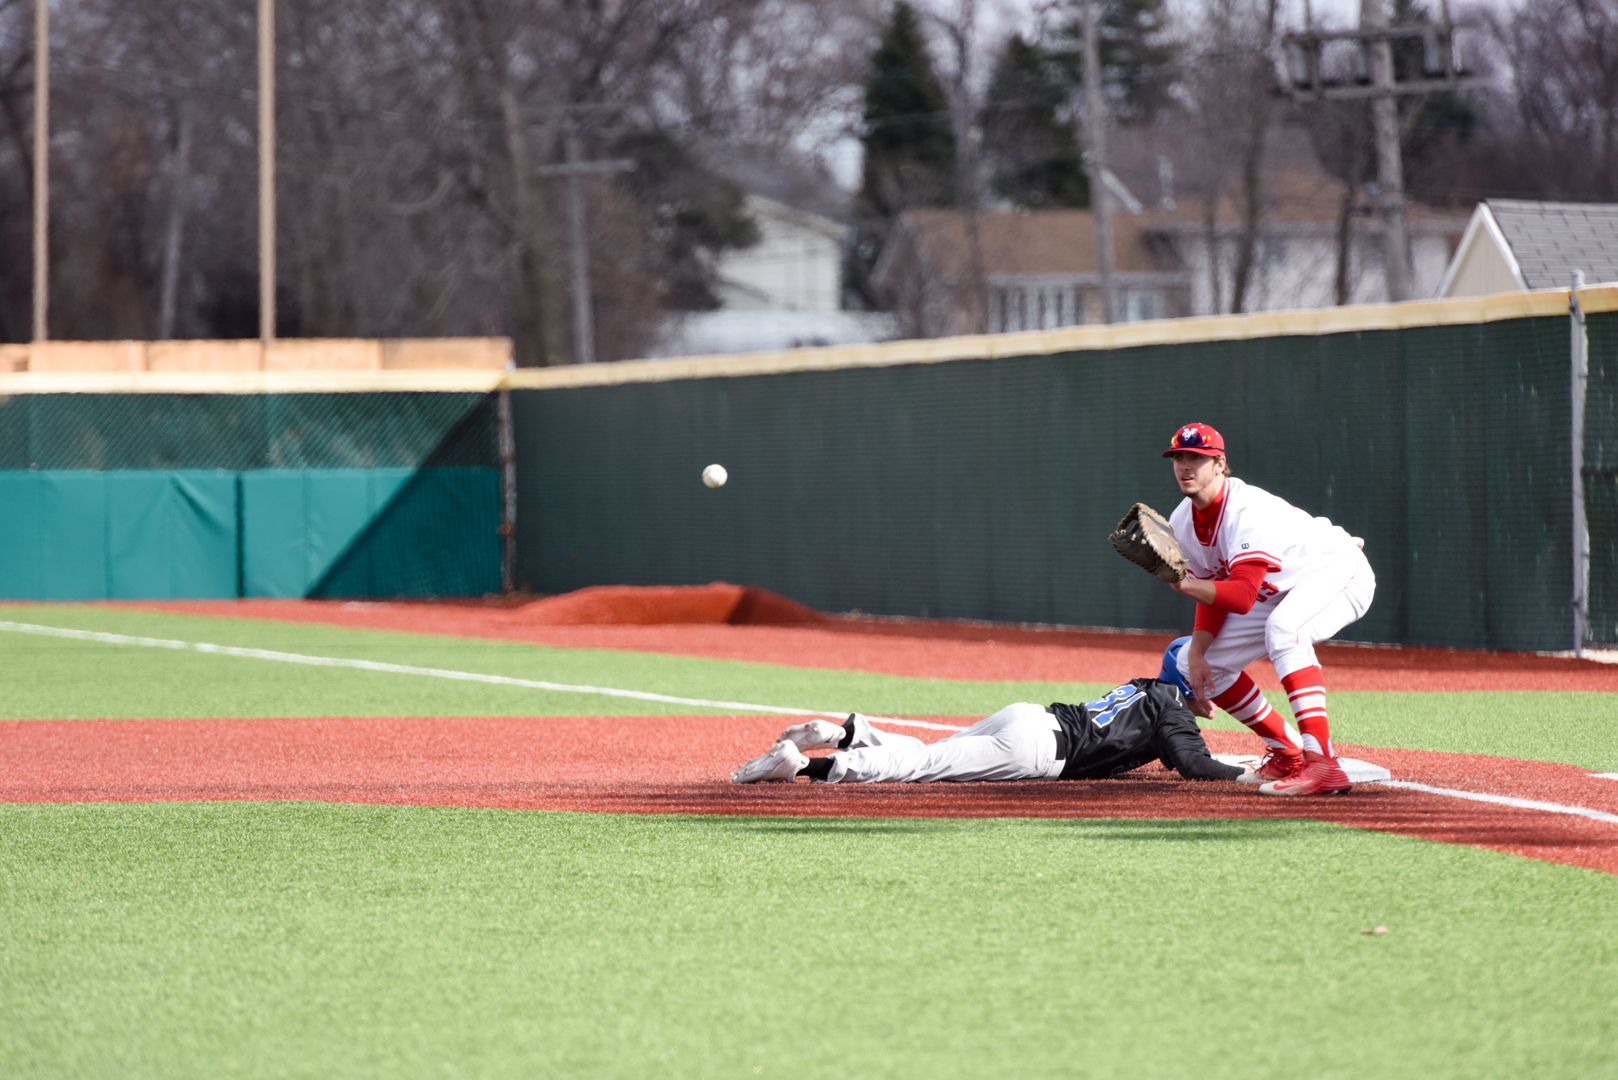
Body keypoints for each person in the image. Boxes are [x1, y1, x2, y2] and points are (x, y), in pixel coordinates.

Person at [1160, 422, 1375, 796]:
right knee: (1194, 664)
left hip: (1337, 570)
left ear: (1219, 464)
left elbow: (1241, 595)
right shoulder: (1182, 520)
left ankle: (1323, 765)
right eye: (1178, 457)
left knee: (1285, 630)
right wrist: (1197, 651)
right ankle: (1287, 751)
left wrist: (1185, 584)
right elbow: (1214, 586)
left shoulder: (1246, 509)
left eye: (1197, 457)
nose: (1185, 465)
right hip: (1276, 592)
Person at [731, 639, 1247, 785]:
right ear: (1191, 678)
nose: (1220, 683)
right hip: (1038, 749)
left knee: (934, 753)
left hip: (1028, 718)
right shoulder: (1174, 708)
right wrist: (1246, 775)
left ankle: (844, 733)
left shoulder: (1149, 688)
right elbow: (1194, 764)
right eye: (1214, 673)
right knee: (923, 767)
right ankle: (804, 767)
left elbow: (1166, 744)